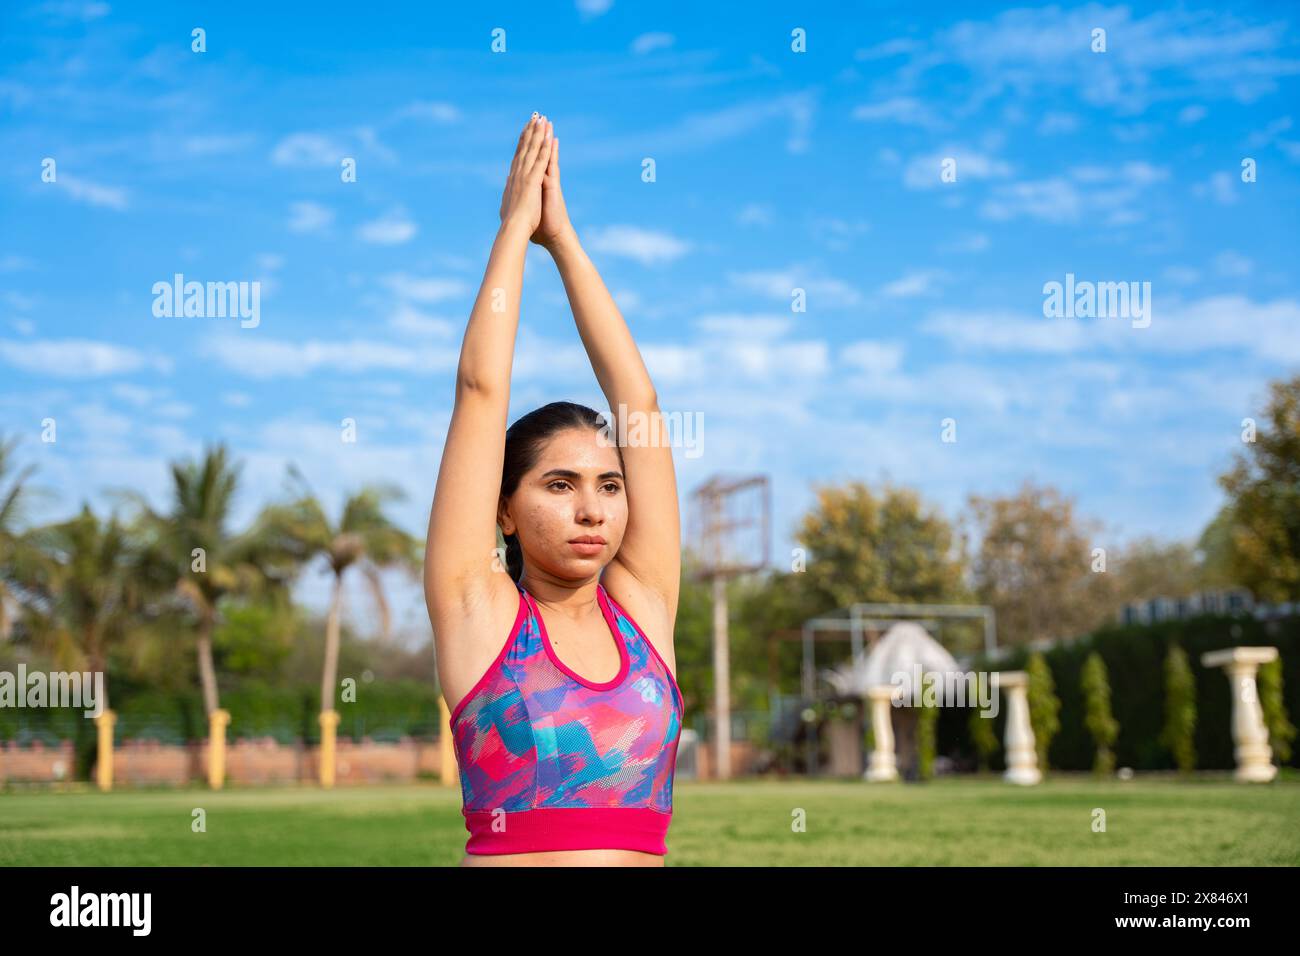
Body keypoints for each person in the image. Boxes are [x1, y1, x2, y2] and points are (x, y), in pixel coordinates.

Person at [424, 113, 685, 867]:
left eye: (609, 484)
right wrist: (514, 232)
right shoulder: (480, 612)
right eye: (560, 485)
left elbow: (639, 402)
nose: (592, 508)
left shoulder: (644, 607)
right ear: (503, 508)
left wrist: (565, 241)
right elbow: (480, 391)